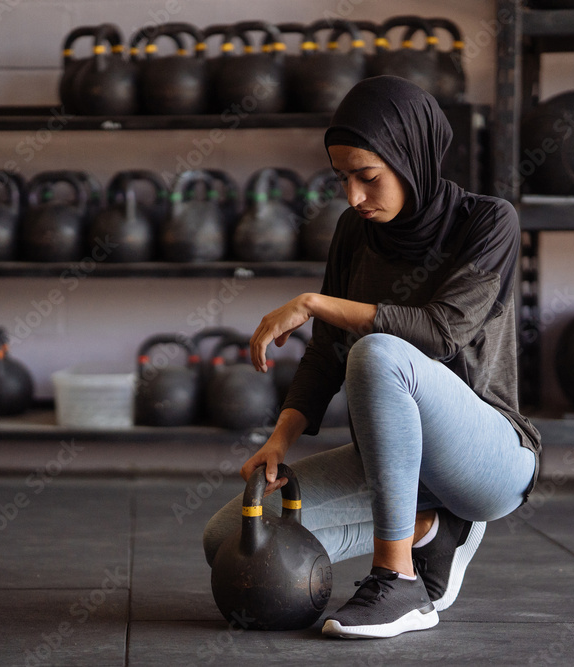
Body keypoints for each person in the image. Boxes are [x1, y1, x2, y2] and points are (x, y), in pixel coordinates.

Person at [202, 76, 541, 639]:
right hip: (393, 464)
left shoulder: (488, 222)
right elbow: (326, 352)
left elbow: (439, 331)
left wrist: (313, 301)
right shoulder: (353, 232)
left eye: (368, 177)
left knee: (382, 353)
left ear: (412, 159)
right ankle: (432, 531)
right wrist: (280, 438)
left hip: (490, 461)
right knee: (231, 539)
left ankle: (399, 579)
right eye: (343, 179)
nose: (354, 196)